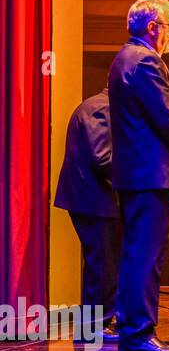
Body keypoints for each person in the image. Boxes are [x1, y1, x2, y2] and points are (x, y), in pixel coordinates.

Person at [108, 0, 169, 351]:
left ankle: (131, 327)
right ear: (153, 27)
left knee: (135, 253)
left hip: (134, 173)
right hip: (151, 174)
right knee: (147, 255)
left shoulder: (123, 58)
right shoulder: (146, 62)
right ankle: (140, 332)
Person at [53, 86, 120, 338]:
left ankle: (94, 324)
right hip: (92, 198)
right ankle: (95, 326)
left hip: (89, 197)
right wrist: (135, 176)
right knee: (102, 264)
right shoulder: (102, 108)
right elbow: (102, 158)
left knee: (100, 263)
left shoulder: (97, 105)